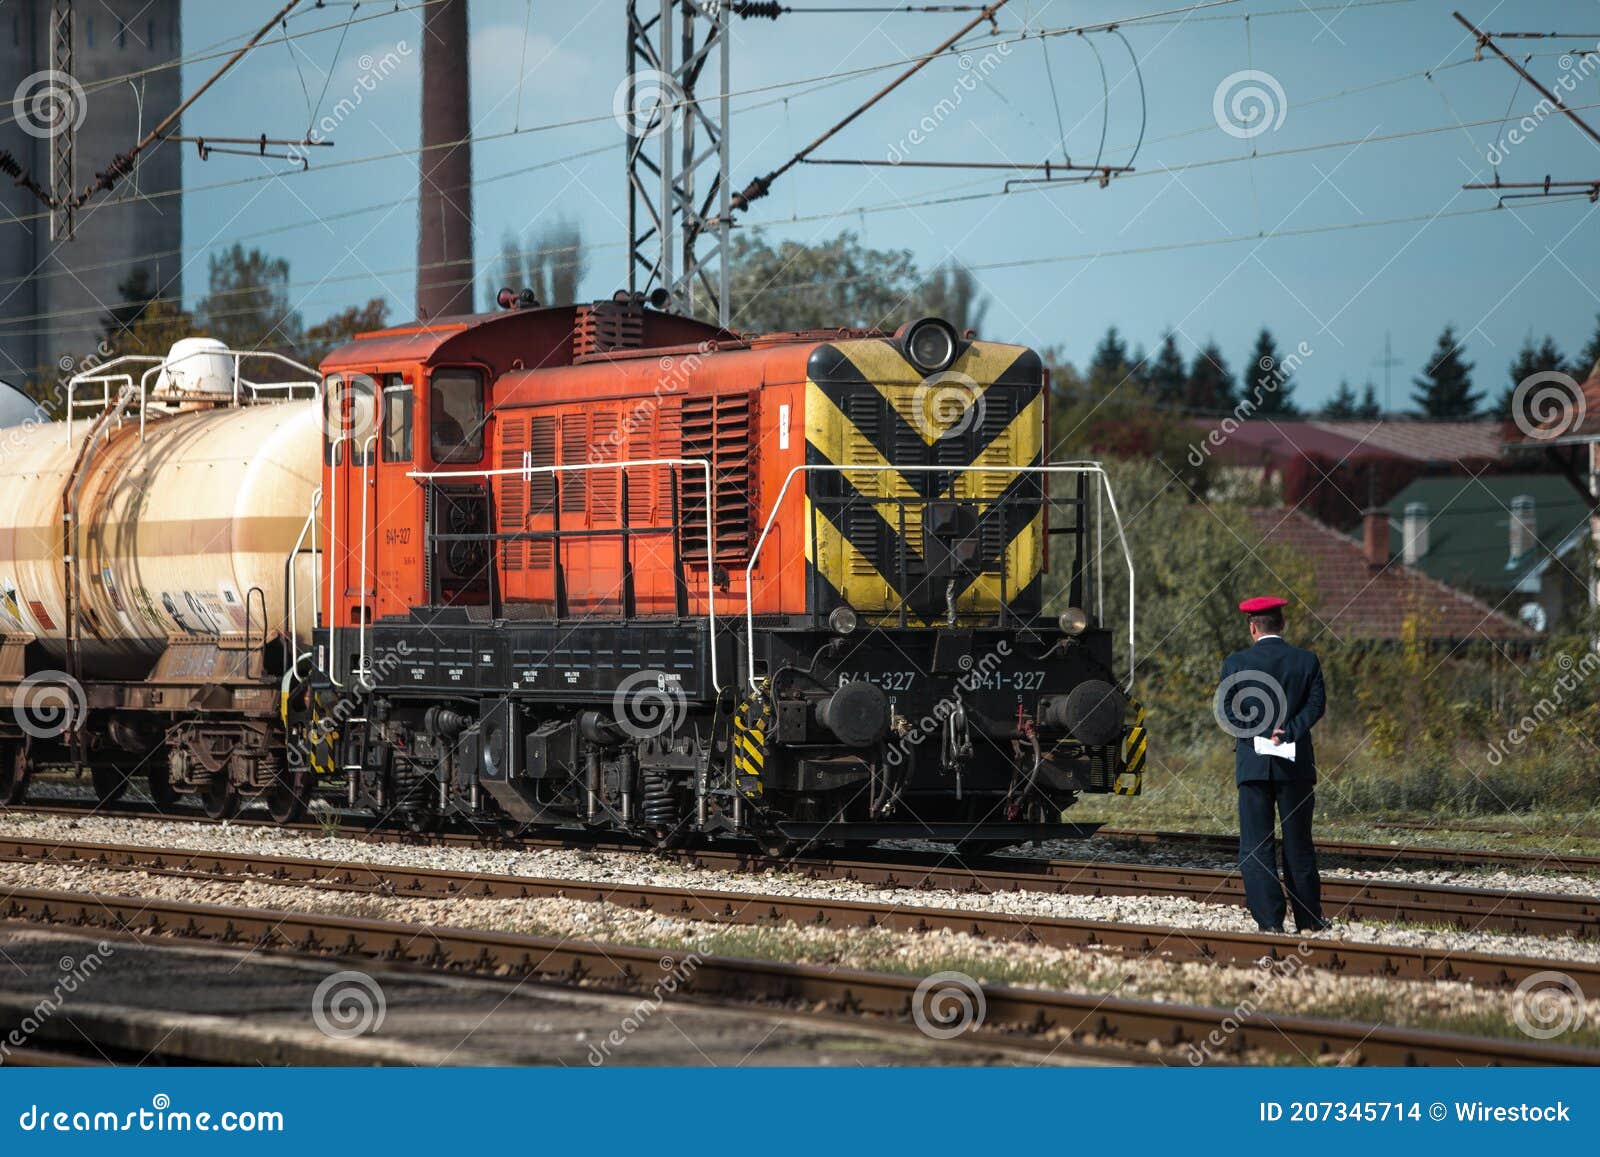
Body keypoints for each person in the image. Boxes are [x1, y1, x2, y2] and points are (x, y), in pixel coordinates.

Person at [1216, 596, 1330, 934]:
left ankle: (1269, 921)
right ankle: (1308, 920)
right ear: (1281, 624)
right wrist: (1288, 731)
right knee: (1298, 843)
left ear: (1252, 627)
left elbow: (1228, 712)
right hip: (1294, 766)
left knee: (1255, 845)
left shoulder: (1235, 663)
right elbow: (1316, 705)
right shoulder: (1307, 661)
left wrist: (1261, 730)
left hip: (1253, 767)